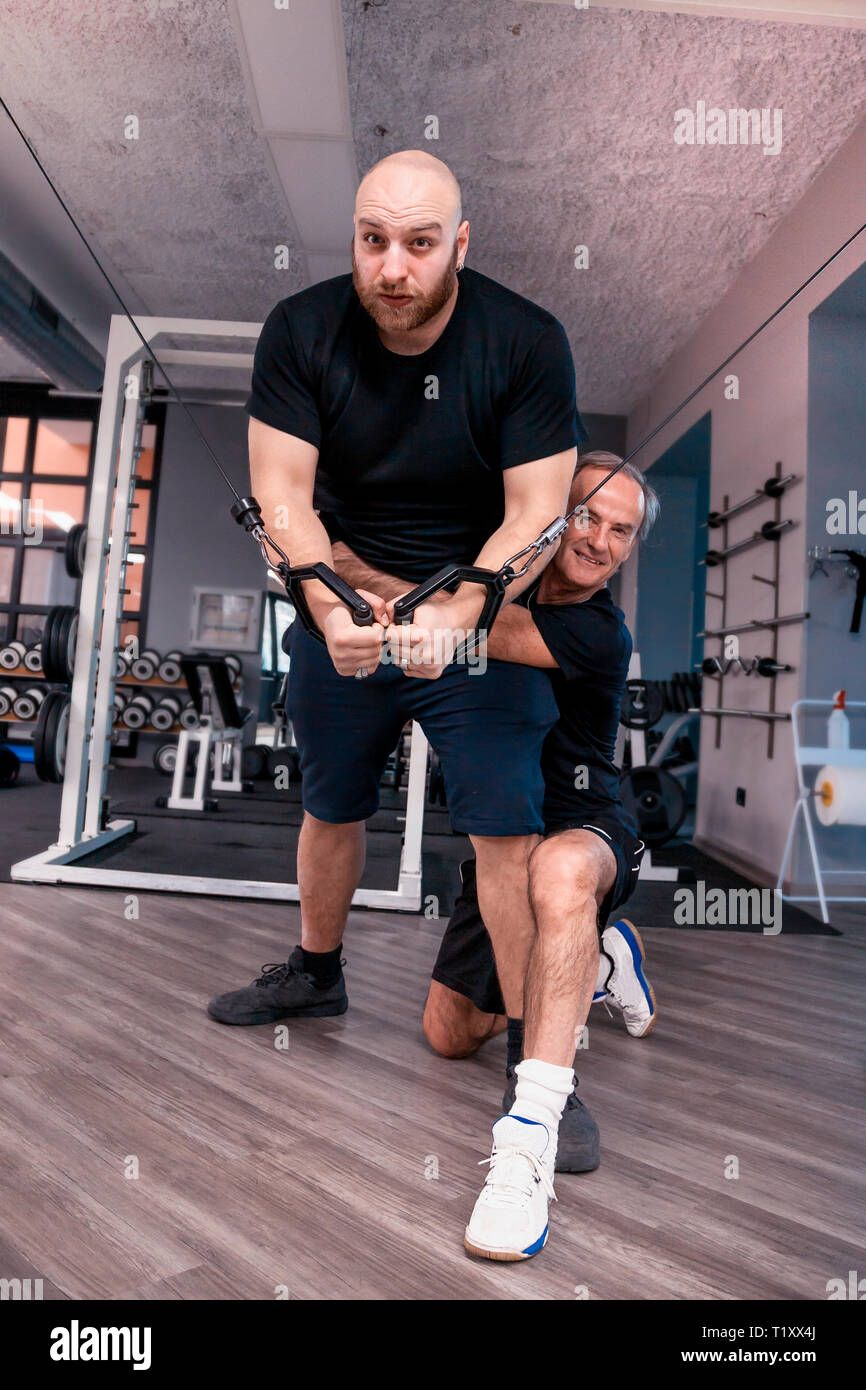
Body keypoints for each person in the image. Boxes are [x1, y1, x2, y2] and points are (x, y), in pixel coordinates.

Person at [207, 149, 588, 1081]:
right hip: (341, 605)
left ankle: (537, 1074)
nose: (392, 268)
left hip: (474, 613)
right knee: (330, 803)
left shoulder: (526, 339)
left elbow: (537, 510)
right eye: (373, 241)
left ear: (458, 244)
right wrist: (326, 605)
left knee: (503, 830)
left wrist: (459, 616)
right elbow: (284, 497)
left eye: (419, 244)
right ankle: (318, 971)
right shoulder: (300, 330)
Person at [422, 451, 659, 1261]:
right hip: (500, 842)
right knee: (450, 1034)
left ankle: (528, 1138)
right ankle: (593, 961)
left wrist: (429, 599)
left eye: (618, 530)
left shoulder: (597, 630)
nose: (598, 539)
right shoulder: (517, 565)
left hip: (586, 829)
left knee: (558, 876)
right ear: (554, 513)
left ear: (628, 548)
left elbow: (475, 623)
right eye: (585, 515)